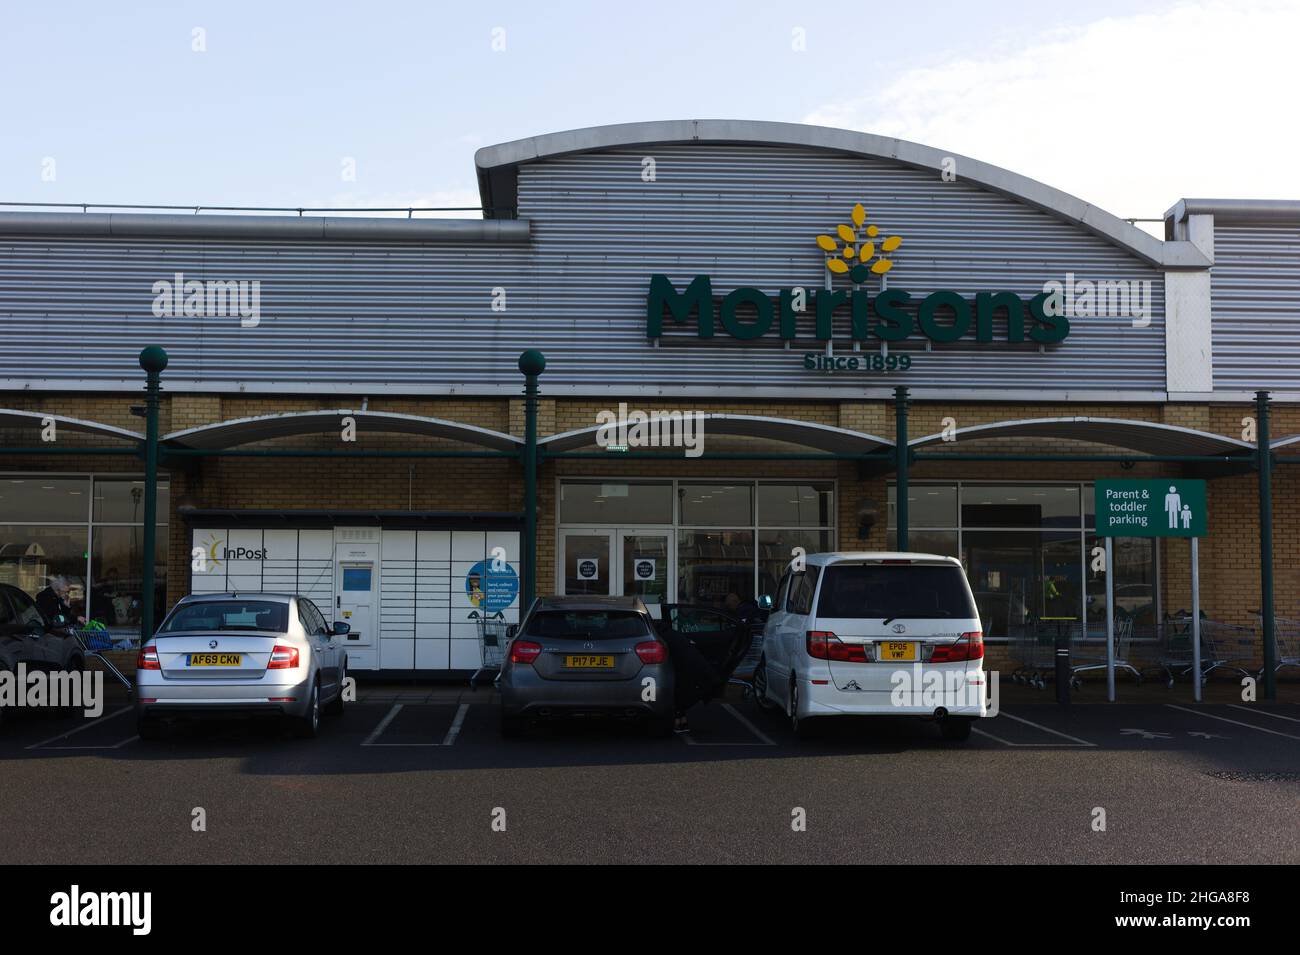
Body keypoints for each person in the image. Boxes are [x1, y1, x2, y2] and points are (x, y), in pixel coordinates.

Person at [661, 624, 719, 733]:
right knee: (685, 693)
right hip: (702, 673)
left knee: (681, 692)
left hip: (693, 674)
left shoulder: (665, 638)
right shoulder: (676, 636)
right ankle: (681, 720)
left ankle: (679, 719)